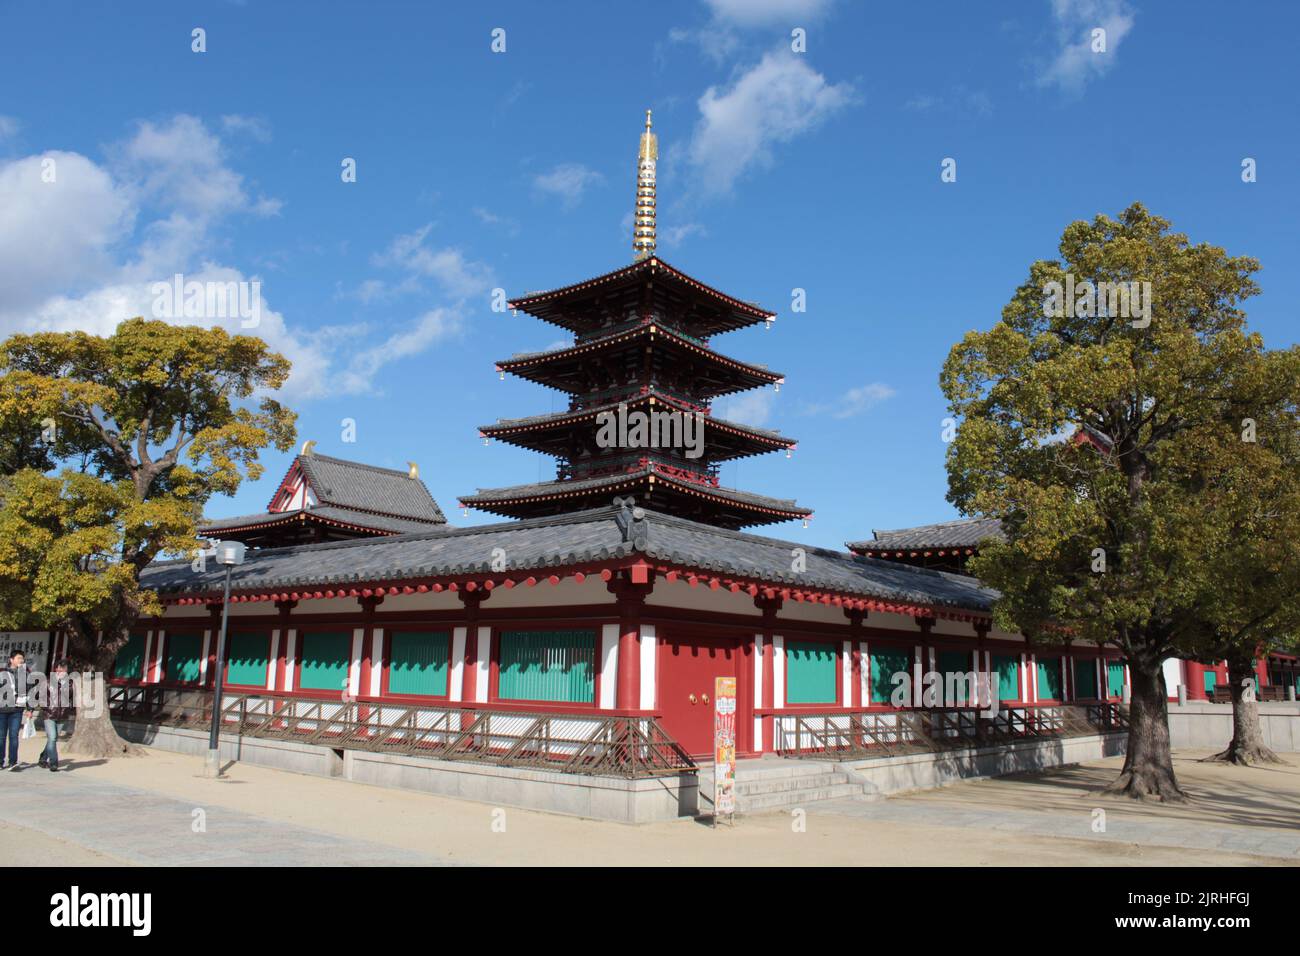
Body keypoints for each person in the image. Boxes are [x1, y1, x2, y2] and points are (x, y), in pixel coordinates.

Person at [39, 659, 74, 772]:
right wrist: (47, 709)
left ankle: (43, 758)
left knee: (52, 739)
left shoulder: (70, 684)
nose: (60, 670)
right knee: (53, 737)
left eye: (63, 668)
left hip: (63, 716)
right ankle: (53, 763)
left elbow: (72, 699)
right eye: (58, 668)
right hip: (49, 715)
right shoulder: (48, 682)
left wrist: (69, 710)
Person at [0, 651, 33, 771]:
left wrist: (30, 709)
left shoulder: (26, 674)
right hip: (2, 710)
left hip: (17, 710)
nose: (21, 660)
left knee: (14, 736)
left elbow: (30, 692)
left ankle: (13, 762)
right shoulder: (2, 673)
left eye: (22, 659)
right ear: (11, 660)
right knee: (1, 736)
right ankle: (0, 761)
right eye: (19, 658)